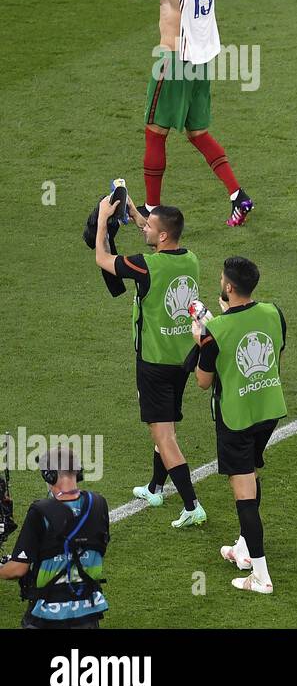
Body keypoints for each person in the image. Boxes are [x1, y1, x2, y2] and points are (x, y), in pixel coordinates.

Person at [81, 0, 253, 225]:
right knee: (198, 133)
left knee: (154, 133)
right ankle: (238, 195)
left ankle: (151, 209)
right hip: (200, 62)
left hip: (172, 64)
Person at [92, 195, 205, 527]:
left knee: (164, 435)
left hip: (153, 361)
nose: (144, 230)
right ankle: (155, 488)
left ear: (163, 236)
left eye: (149, 227)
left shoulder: (147, 264)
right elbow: (152, 230)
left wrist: (102, 220)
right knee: (166, 423)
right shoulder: (191, 260)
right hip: (182, 357)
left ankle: (191, 504)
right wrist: (136, 214)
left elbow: (102, 258)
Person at [194, 257, 287, 593]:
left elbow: (203, 381)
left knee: (243, 491)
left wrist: (201, 338)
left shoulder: (213, 331)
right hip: (269, 408)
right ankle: (243, 549)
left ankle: (260, 576)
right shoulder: (274, 312)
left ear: (229, 287)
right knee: (251, 473)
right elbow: (274, 351)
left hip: (236, 417)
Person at [0, 447, 110, 629]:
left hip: (48, 616)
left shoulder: (40, 512)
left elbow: (17, 569)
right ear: (78, 472)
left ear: (49, 476)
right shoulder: (99, 504)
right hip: (88, 614)